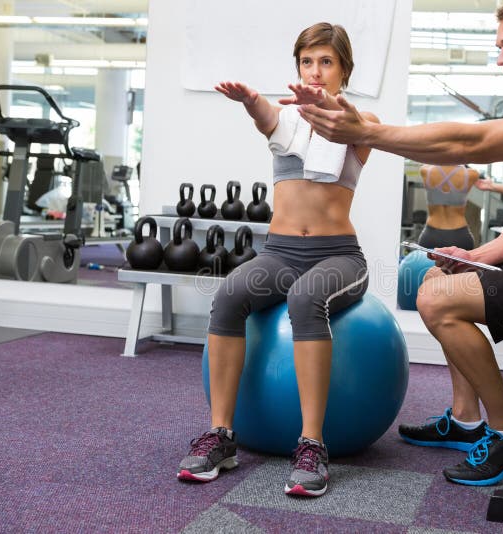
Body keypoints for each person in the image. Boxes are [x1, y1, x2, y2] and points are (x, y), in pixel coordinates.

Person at [298, 0, 503, 487]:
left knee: (434, 299)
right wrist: (475, 257)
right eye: (499, 47)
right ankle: (466, 418)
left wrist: (369, 132)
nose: (501, 57)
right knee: (436, 276)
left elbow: (471, 146)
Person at [176, 22, 379, 498]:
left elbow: (357, 126)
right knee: (227, 294)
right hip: (281, 252)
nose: (315, 71)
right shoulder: (287, 119)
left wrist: (331, 109)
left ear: (343, 70)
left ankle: (312, 444)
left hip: (339, 257)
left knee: (307, 299)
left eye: (326, 62)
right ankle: (222, 435)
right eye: (307, 62)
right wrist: (250, 101)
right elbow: (266, 114)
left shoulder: (356, 122)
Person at [417, 164, 479, 250]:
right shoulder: (471, 174)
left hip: (431, 235)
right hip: (460, 236)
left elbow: (428, 162)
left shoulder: (426, 171)